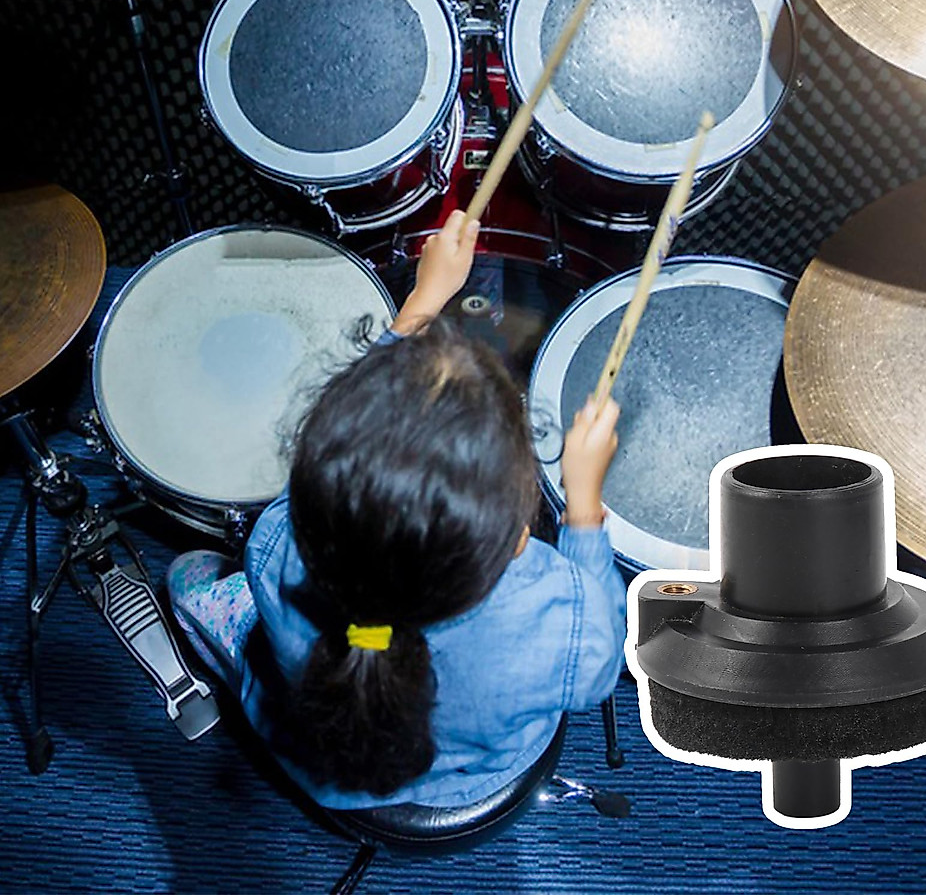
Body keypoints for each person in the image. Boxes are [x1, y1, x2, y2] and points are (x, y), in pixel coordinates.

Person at [167, 210, 626, 809]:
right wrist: (584, 505)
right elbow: (599, 669)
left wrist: (419, 306)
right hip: (475, 774)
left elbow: (357, 441)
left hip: (312, 755)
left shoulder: (281, 541)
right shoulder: (565, 620)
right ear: (517, 535)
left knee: (210, 594)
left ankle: (216, 625)